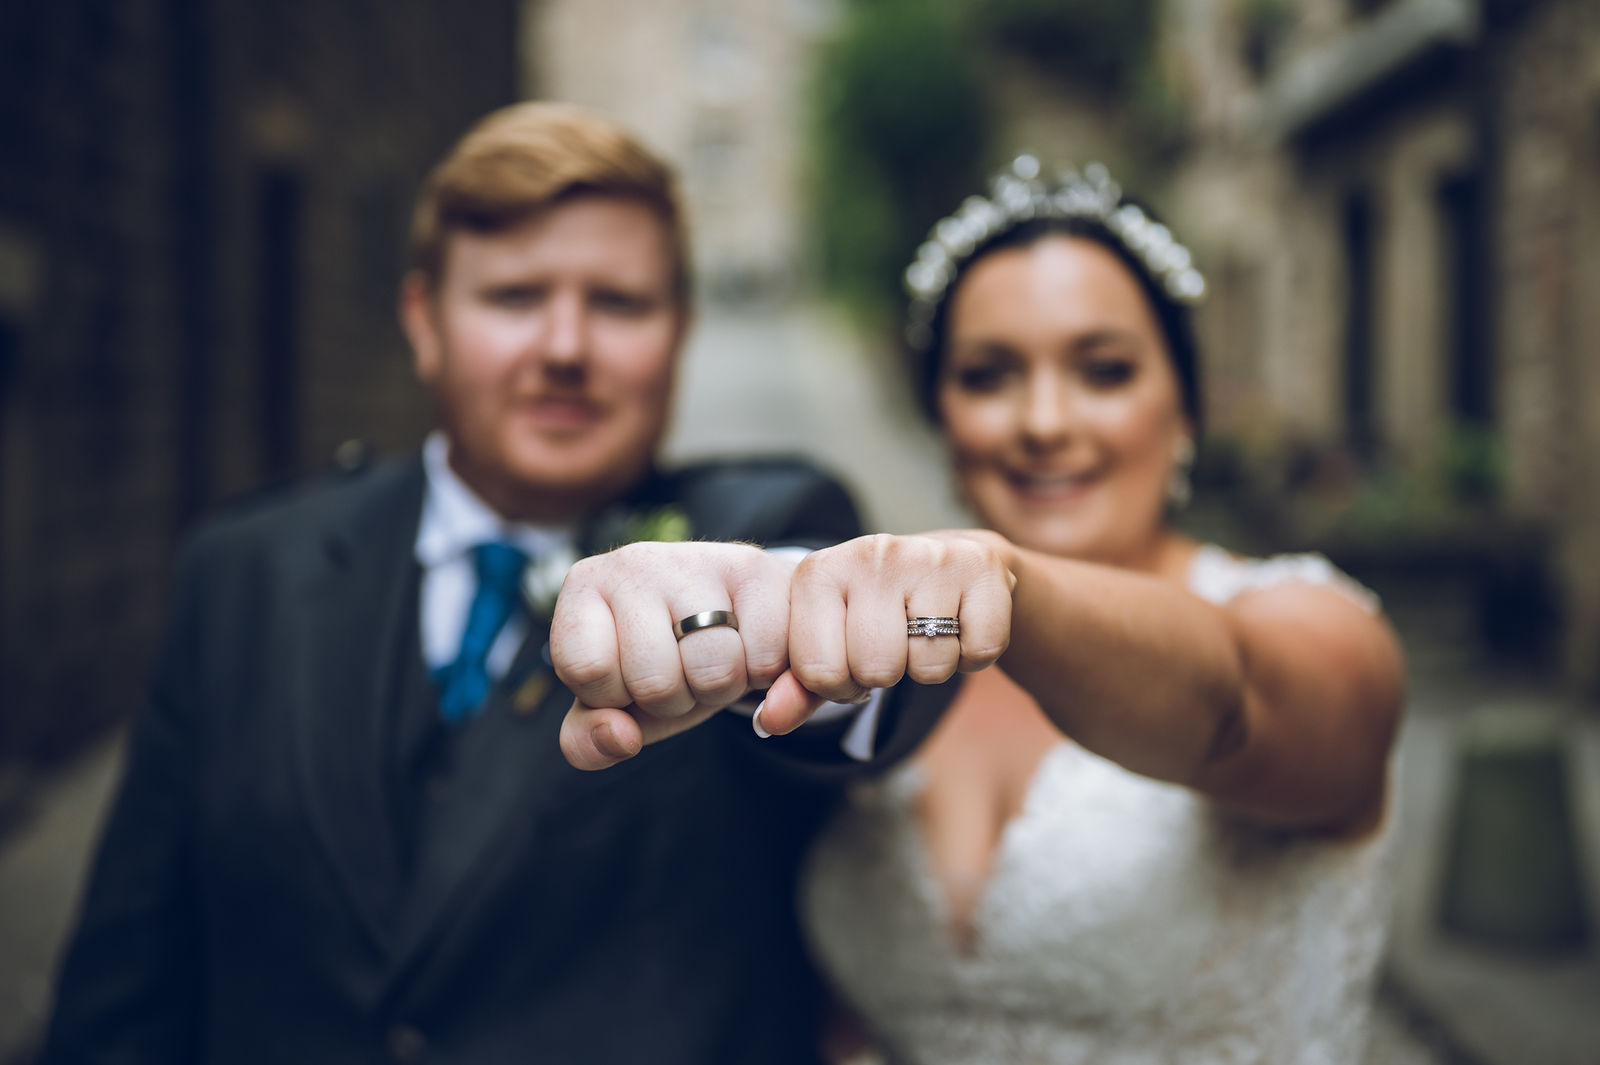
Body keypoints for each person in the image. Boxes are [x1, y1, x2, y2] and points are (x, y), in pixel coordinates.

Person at [39, 102, 951, 1065]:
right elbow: (127, 982)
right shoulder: (242, 573)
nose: (565, 347)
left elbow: (849, 664)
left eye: (619, 303)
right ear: (424, 322)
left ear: (680, 330)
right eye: (515, 297)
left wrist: (780, 615)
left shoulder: (766, 522)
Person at [784, 158, 1408, 1064]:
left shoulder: (1314, 625)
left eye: (1104, 371)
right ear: (941, 418)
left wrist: (1011, 585)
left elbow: (1231, 707)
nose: (1044, 421)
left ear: (1185, 407)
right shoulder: (894, 662)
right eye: (989, 375)